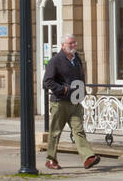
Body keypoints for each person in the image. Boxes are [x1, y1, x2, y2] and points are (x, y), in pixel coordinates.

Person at [42, 34, 100, 170]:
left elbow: (81, 77)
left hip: (75, 101)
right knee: (55, 132)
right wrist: (63, 89)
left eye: (74, 43)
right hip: (59, 102)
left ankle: (88, 157)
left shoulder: (77, 59)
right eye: (70, 43)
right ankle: (51, 159)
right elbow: (47, 82)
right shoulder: (55, 60)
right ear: (63, 45)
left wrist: (82, 91)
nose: (73, 45)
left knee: (79, 130)